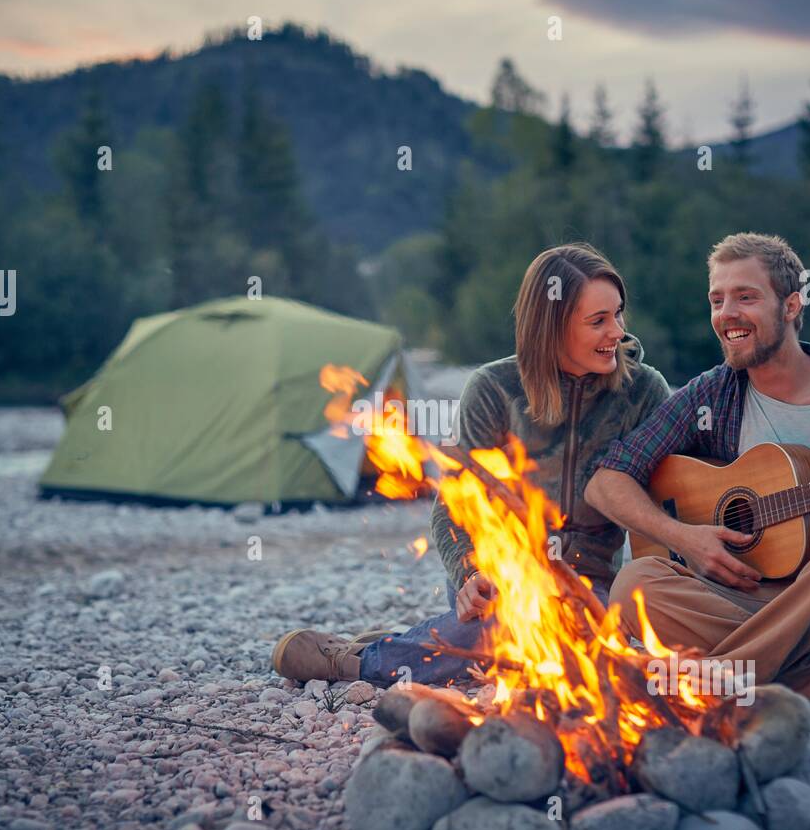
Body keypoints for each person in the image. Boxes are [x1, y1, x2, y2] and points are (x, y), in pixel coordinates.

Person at [584, 232, 810, 719]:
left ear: (792, 305)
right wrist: (685, 538)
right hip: (750, 597)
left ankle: (719, 676)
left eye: (746, 297)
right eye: (717, 300)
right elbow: (605, 480)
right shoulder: (712, 396)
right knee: (635, 583)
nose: (726, 314)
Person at [272, 242, 671, 686]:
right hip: (496, 577)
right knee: (515, 626)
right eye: (598, 321)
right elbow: (453, 504)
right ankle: (352, 664)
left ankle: (387, 650)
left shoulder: (643, 391)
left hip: (589, 586)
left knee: (573, 649)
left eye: (618, 314)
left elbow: (676, 487)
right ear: (551, 327)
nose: (617, 331)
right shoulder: (494, 389)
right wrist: (469, 572)